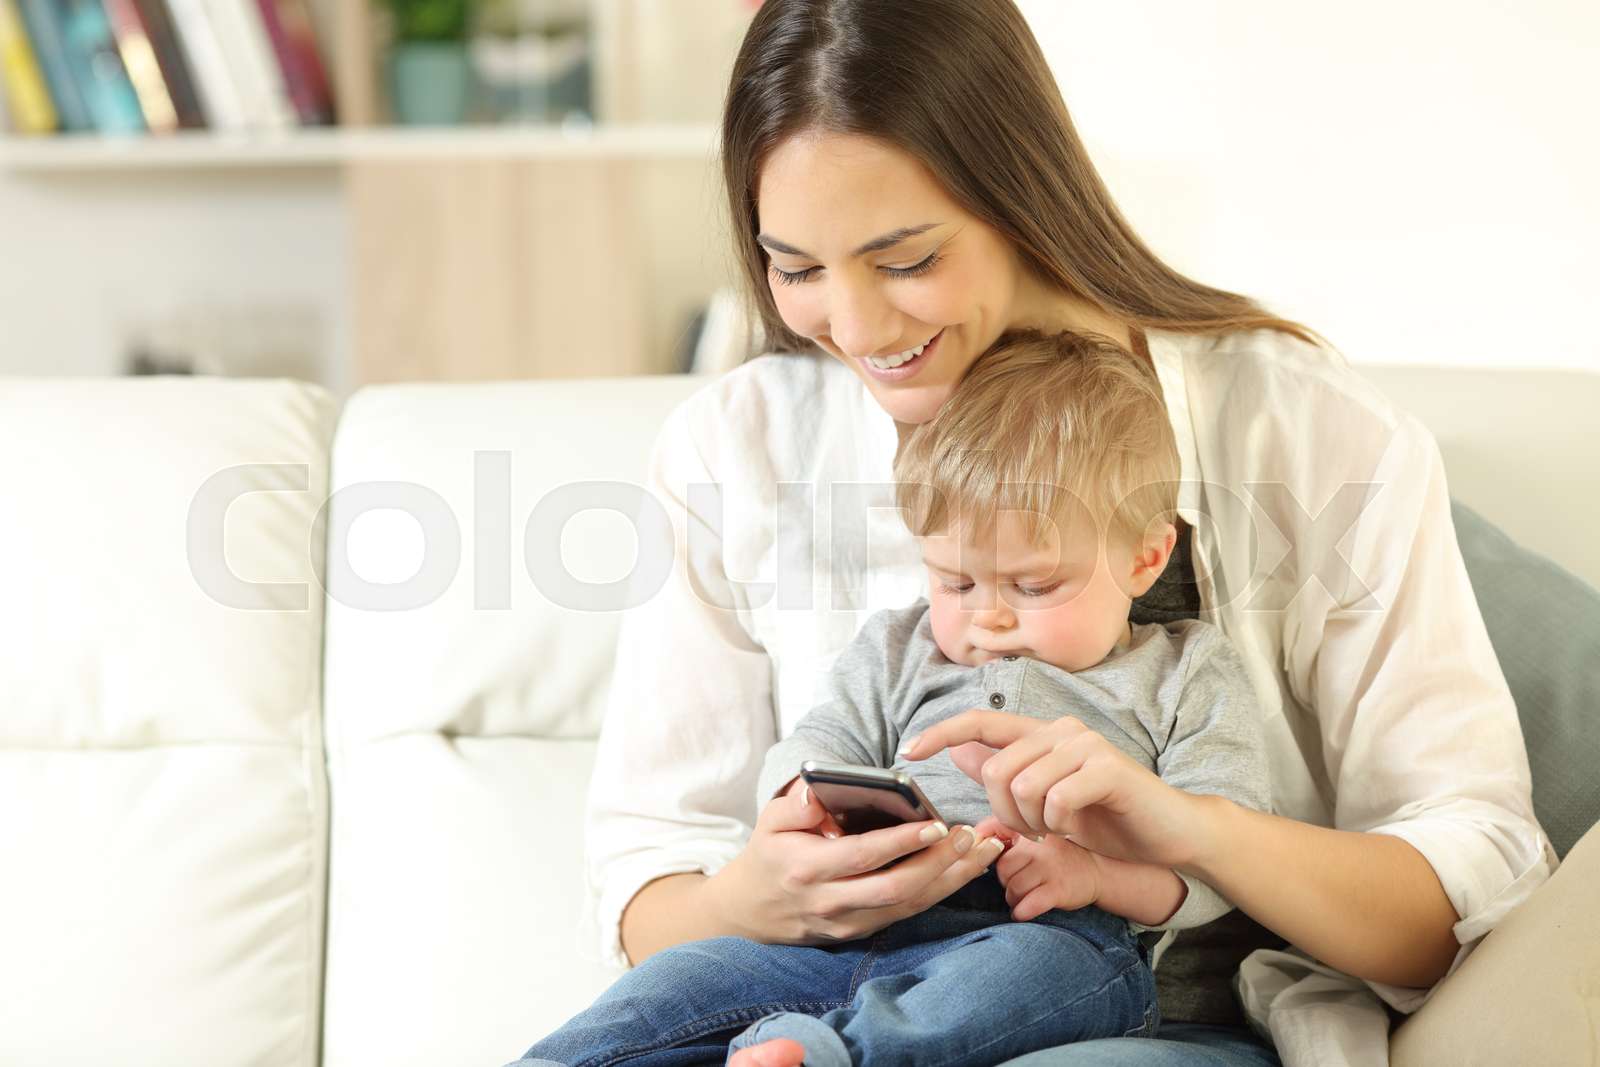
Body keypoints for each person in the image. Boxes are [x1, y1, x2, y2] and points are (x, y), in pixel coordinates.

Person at [513, 2, 1556, 1065]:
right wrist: (760, 892)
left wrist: (1187, 832)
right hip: (803, 984)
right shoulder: (732, 445)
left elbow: (1464, 876)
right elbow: (650, 880)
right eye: (797, 267)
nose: (858, 330)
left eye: (905, 257)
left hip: (1123, 1002)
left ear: (1020, 198)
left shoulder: (1305, 429)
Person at [514, 331, 1272, 1065]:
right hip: (848, 938)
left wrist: (1099, 877)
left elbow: (1218, 862)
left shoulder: (1184, 672)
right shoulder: (896, 648)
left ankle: (833, 1053)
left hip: (1045, 936)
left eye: (1035, 585)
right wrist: (823, 810)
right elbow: (817, 746)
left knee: (1048, 974)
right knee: (684, 977)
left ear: (1146, 556)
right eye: (955, 580)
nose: (989, 614)